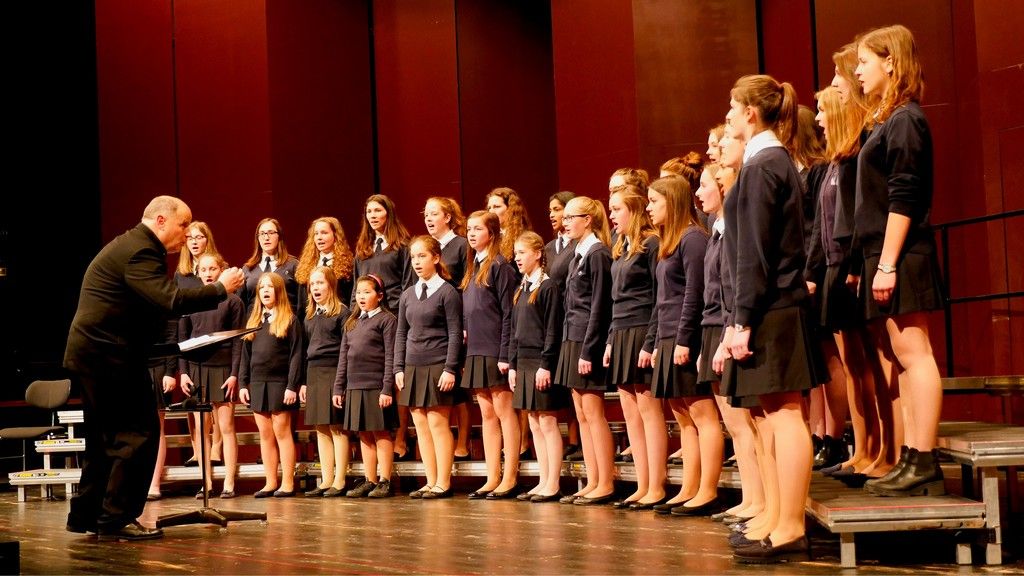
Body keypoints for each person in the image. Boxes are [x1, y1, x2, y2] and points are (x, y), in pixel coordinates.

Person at [64, 195, 243, 541]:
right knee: (137, 434)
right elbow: (170, 300)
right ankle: (115, 517)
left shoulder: (132, 246)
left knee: (106, 437)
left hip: (97, 352)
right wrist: (221, 288)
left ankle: (90, 515)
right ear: (161, 220)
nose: (188, 233)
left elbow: (144, 307)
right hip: (107, 355)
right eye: (183, 224)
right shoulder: (141, 250)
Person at [723, 74, 817, 563]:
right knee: (772, 414)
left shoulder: (763, 165)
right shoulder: (766, 161)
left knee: (784, 415)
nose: (728, 118)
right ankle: (778, 515)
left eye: (731, 110)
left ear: (750, 113)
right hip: (769, 305)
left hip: (774, 307)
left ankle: (790, 524)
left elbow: (755, 252)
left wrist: (741, 318)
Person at [855, 25, 946, 498]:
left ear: (890, 62)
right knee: (902, 358)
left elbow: (904, 195)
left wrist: (888, 263)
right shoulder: (886, 120)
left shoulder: (906, 119)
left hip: (902, 254)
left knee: (916, 355)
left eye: (863, 61)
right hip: (883, 253)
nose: (857, 71)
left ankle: (923, 458)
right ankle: (912, 455)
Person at [604, 185, 662, 509]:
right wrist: (612, 339)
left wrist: (650, 341)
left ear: (634, 211)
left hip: (642, 331)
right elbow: (616, 301)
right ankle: (642, 483)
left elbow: (658, 298)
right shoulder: (620, 246)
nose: (611, 215)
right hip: (623, 331)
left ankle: (657, 483)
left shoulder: (651, 243)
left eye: (616, 209)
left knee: (649, 411)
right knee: (630, 414)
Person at [554, 196, 615, 505]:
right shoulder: (577, 253)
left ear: (588, 220)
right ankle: (593, 479)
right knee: (581, 413)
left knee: (593, 413)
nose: (565, 222)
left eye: (571, 217)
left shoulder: (597, 253)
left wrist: (589, 350)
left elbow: (600, 307)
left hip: (586, 341)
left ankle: (605, 481)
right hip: (571, 337)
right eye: (564, 217)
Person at [394, 235, 463, 499]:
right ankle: (430, 479)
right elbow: (401, 333)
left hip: (437, 364)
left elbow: (455, 334)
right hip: (413, 364)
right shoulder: (408, 295)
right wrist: (399, 368)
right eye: (414, 257)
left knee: (437, 423)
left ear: (436, 258)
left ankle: (443, 482)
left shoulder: (447, 292)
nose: (417, 262)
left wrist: (450, 368)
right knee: (420, 424)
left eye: (422, 256)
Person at [460, 211, 519, 499]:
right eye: (469, 229)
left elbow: (509, 313)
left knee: (504, 411)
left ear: (492, 233)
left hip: (496, 348)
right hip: (476, 350)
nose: (471, 234)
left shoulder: (500, 266)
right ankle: (492, 474)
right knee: (486, 413)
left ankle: (510, 476)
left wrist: (506, 353)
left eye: (477, 229)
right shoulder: (473, 266)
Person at [178, 252, 245, 499]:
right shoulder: (191, 302)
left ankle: (229, 481)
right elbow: (182, 341)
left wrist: (235, 374)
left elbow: (238, 341)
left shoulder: (233, 301)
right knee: (200, 428)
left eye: (212, 269)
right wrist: (184, 373)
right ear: (197, 272)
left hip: (223, 369)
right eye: (203, 269)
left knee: (226, 426)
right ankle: (205, 482)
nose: (208, 273)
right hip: (196, 369)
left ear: (221, 270)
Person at [509, 232, 568, 502]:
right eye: (515, 253)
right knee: (533, 422)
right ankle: (543, 479)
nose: (517, 258)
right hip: (523, 362)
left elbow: (553, 330)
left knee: (546, 421)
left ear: (537, 254)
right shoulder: (522, 287)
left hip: (540, 362)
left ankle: (553, 482)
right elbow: (514, 330)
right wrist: (512, 366)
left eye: (521, 253)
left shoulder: (548, 286)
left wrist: (546, 365)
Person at [239, 272, 304, 498]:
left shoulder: (290, 319)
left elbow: (297, 354)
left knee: (282, 432)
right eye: (262, 287)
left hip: (280, 382)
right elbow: (245, 355)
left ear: (278, 291)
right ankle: (270, 481)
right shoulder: (254, 321)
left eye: (270, 287)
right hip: (257, 382)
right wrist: (243, 383)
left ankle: (287, 482)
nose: (266, 290)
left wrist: (292, 385)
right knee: (265, 434)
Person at [333, 275, 399, 498]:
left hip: (376, 385)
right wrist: (338, 387)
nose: (361, 296)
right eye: (359, 292)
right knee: (363, 434)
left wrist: (387, 388)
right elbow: (343, 357)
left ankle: (385, 480)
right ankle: (370, 480)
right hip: (355, 385)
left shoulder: (386, 320)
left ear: (379, 296)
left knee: (380, 432)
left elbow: (390, 355)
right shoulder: (351, 322)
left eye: (367, 292)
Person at [423, 196, 473, 461]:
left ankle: (463, 441)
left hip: (454, 323)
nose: (429, 219)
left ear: (448, 217)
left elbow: (466, 285)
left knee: (459, 387)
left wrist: (464, 324)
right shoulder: (427, 248)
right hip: (431, 325)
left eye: (434, 214)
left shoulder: (461, 245)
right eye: (426, 215)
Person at [298, 266, 351, 497]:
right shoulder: (309, 315)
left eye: (320, 283)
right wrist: (303, 383)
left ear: (330, 285)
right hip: (314, 372)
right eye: (313, 284)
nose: (316, 287)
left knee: (337, 428)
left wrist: (341, 382)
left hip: (333, 371)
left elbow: (346, 349)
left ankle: (340, 479)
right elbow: (303, 350)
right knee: (321, 428)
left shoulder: (342, 313)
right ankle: (326, 479)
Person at [240, 218, 300, 317]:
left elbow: (302, 301)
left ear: (279, 236)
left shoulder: (293, 265)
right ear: (257, 238)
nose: (266, 237)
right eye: (262, 233)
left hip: (285, 323)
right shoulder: (248, 268)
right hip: (254, 325)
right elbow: (241, 303)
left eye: (271, 233)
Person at [296, 216, 356, 308]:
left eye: (324, 233)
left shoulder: (347, 265)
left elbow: (350, 297)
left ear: (335, 235)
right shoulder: (306, 265)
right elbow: (302, 303)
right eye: (316, 234)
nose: (319, 237)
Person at [486, 187, 533, 264]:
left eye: (497, 207)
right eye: (489, 208)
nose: (491, 212)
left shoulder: (523, 237)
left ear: (510, 209)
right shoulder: (490, 237)